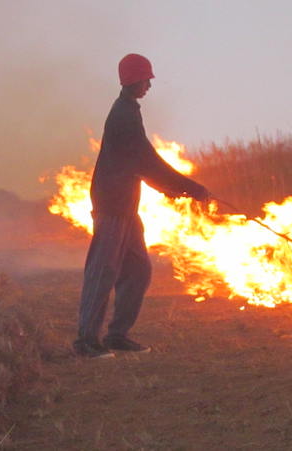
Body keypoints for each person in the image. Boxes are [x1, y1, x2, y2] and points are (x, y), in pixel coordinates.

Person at [74, 53, 210, 359]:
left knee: (138, 270)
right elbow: (147, 161)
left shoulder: (129, 110)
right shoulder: (123, 114)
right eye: (146, 79)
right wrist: (191, 188)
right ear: (133, 80)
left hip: (126, 207)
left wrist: (173, 190)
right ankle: (85, 341)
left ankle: (117, 335)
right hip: (112, 206)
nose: (149, 84)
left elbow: (139, 163)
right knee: (103, 271)